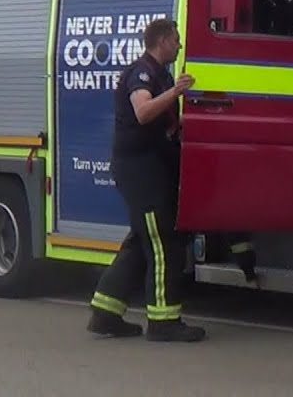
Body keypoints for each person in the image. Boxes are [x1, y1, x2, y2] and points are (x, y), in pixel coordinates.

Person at [86, 17, 207, 342]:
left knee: (142, 240)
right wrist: (178, 91)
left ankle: (105, 313)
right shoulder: (142, 73)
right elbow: (142, 112)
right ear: (163, 40)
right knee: (162, 241)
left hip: (151, 167)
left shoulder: (161, 75)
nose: (180, 45)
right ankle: (164, 321)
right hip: (139, 169)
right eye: (177, 39)